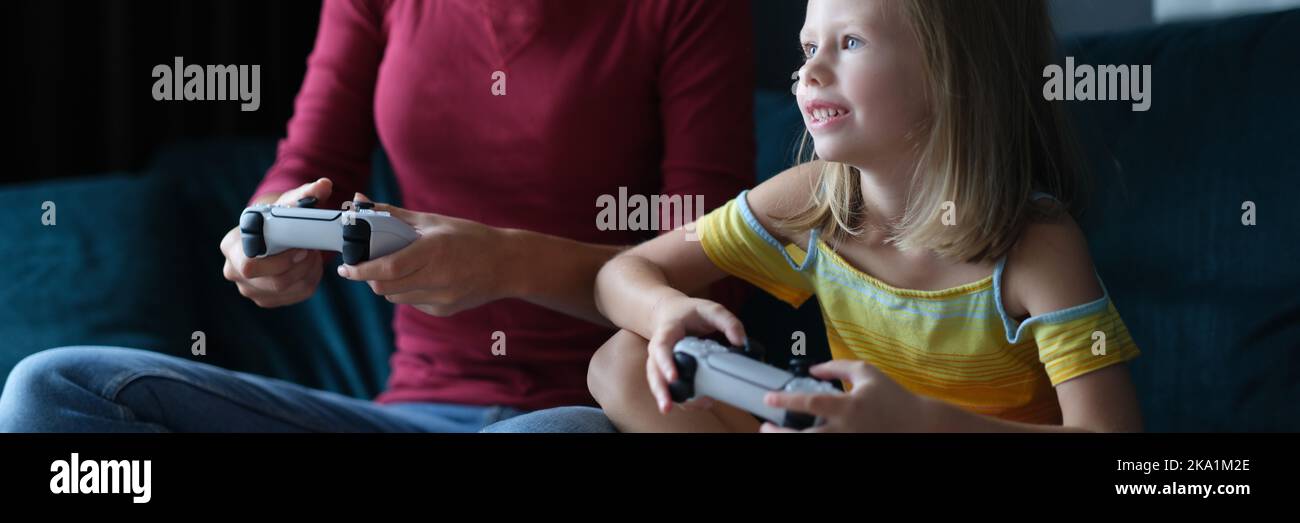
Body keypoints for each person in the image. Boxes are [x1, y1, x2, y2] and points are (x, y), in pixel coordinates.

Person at [0, 0, 752, 433]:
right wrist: (266, 235)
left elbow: (709, 274)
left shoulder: (683, 10)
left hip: (583, 408)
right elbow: (308, 165)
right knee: (49, 391)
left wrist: (505, 262)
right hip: (405, 413)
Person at [576, 0, 1143, 433]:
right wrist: (668, 308)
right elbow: (618, 276)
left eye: (850, 42)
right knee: (622, 361)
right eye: (806, 49)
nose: (809, 73)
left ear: (955, 75)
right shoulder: (813, 202)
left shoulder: (1036, 247)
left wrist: (917, 422)